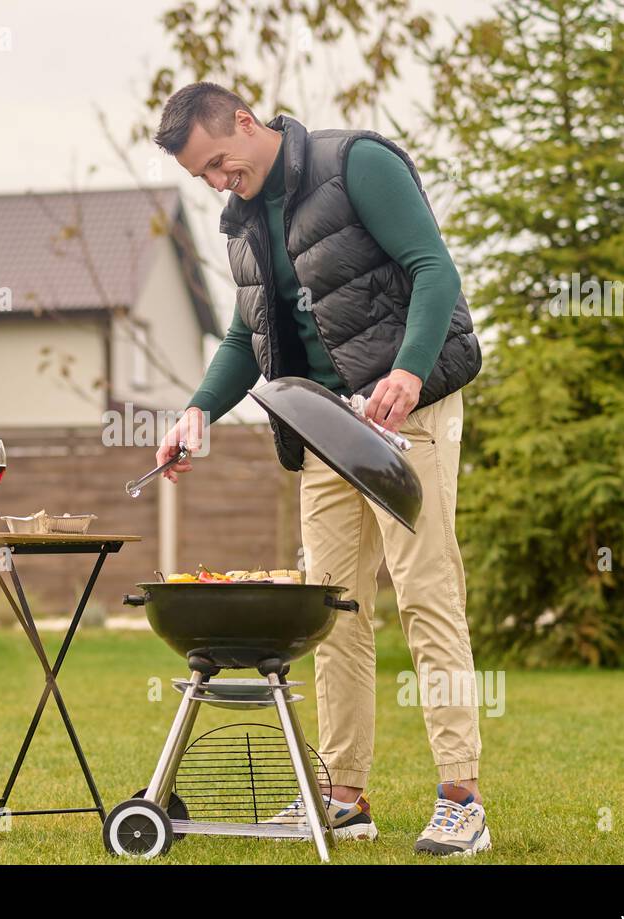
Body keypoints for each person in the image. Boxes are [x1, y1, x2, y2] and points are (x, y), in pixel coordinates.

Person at [152, 82, 489, 856]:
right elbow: (248, 339)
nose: (216, 181)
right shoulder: (239, 222)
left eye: (219, 163)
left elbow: (434, 271)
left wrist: (407, 371)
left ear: (245, 121)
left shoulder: (356, 164)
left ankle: (461, 799)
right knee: (331, 611)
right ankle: (343, 797)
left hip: (411, 413)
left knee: (427, 595)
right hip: (323, 431)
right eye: (201, 175)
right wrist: (198, 410)